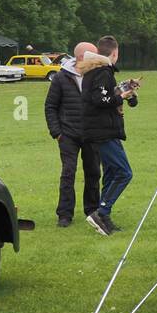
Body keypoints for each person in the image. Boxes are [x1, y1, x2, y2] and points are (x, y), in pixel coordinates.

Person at [79, 36, 139, 236]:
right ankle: (101, 211)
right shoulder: (103, 71)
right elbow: (100, 99)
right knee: (124, 173)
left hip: (102, 129)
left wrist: (123, 87)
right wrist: (121, 95)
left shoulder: (95, 71)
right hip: (102, 131)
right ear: (115, 52)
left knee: (112, 173)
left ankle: (104, 217)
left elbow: (101, 94)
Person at [44, 41, 100, 228]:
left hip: (92, 134)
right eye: (94, 55)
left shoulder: (98, 75)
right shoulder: (61, 78)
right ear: (82, 57)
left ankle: (92, 211)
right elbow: (50, 106)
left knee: (93, 172)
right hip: (68, 135)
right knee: (68, 173)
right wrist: (57, 133)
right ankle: (64, 215)